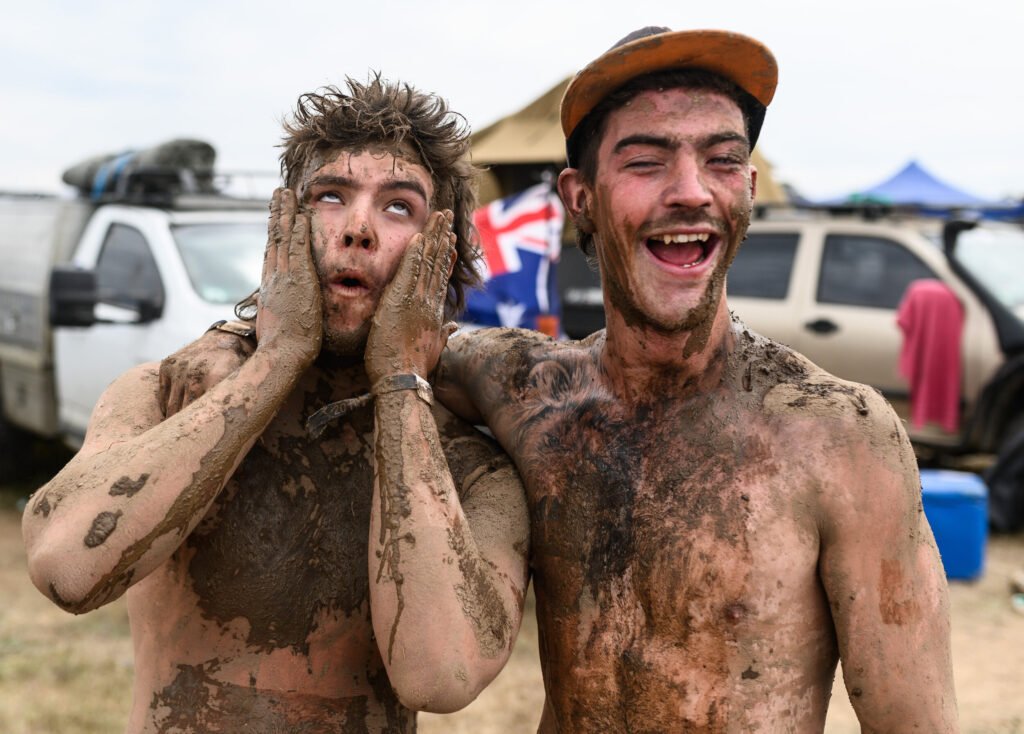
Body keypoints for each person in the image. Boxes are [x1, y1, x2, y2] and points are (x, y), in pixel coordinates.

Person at [162, 28, 959, 732]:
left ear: (748, 189)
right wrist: (234, 341)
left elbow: (913, 723)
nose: (691, 189)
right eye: (646, 161)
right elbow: (376, 325)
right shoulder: (529, 395)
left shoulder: (838, 436)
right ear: (581, 199)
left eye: (722, 160)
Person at [21, 76, 529, 734]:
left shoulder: (470, 469)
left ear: (443, 252)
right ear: (284, 226)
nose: (357, 229)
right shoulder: (173, 394)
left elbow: (439, 676)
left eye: (398, 207)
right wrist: (277, 357)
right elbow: (66, 571)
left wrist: (400, 381)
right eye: (330, 196)